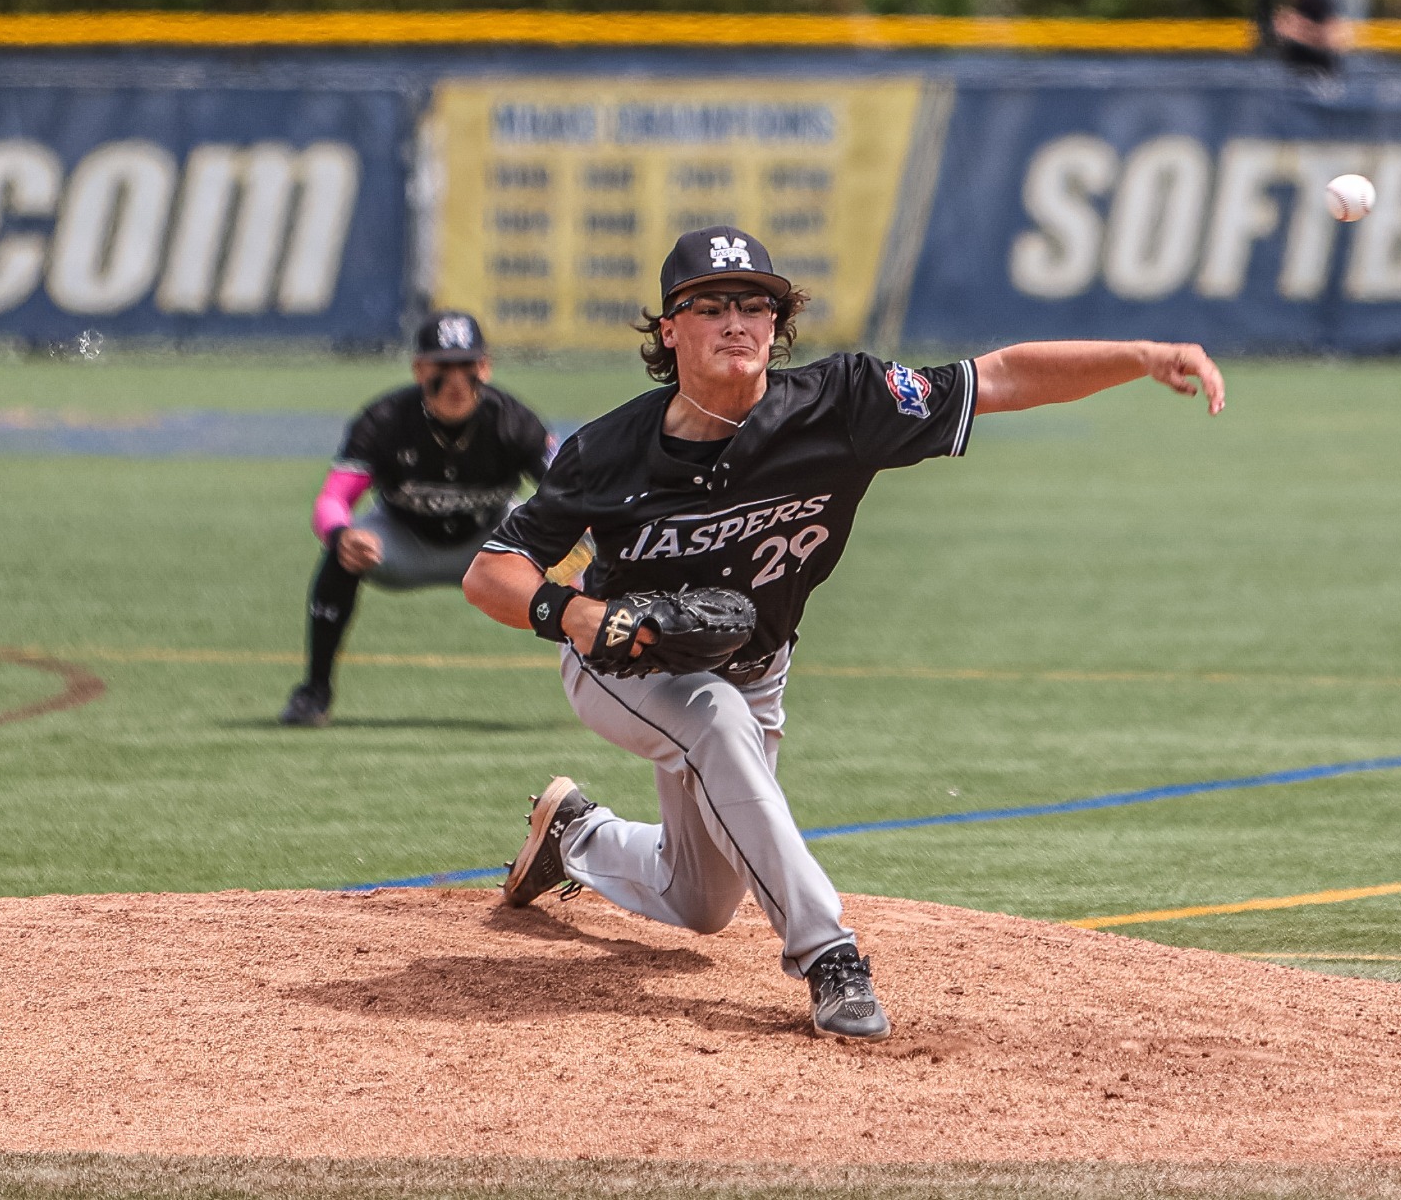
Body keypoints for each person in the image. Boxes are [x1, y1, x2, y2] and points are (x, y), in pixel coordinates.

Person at [461, 226, 1224, 1040]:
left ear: (777, 326)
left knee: (701, 900)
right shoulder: (608, 451)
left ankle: (577, 833)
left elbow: (996, 377)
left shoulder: (844, 404)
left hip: (755, 669)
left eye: (756, 304)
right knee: (710, 718)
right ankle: (831, 956)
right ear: (669, 329)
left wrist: (1142, 354)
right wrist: (572, 613)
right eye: (709, 305)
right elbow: (491, 570)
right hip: (622, 663)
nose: (736, 321)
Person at [279, 312, 553, 727]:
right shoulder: (385, 419)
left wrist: (580, 540)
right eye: (443, 368)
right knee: (341, 553)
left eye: (468, 366)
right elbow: (334, 497)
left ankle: (609, 681)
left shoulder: (514, 421)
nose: (457, 382)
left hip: (491, 546)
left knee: (586, 556)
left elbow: (570, 492)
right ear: (419, 369)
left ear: (486, 367)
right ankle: (314, 692)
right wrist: (340, 535)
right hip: (402, 538)